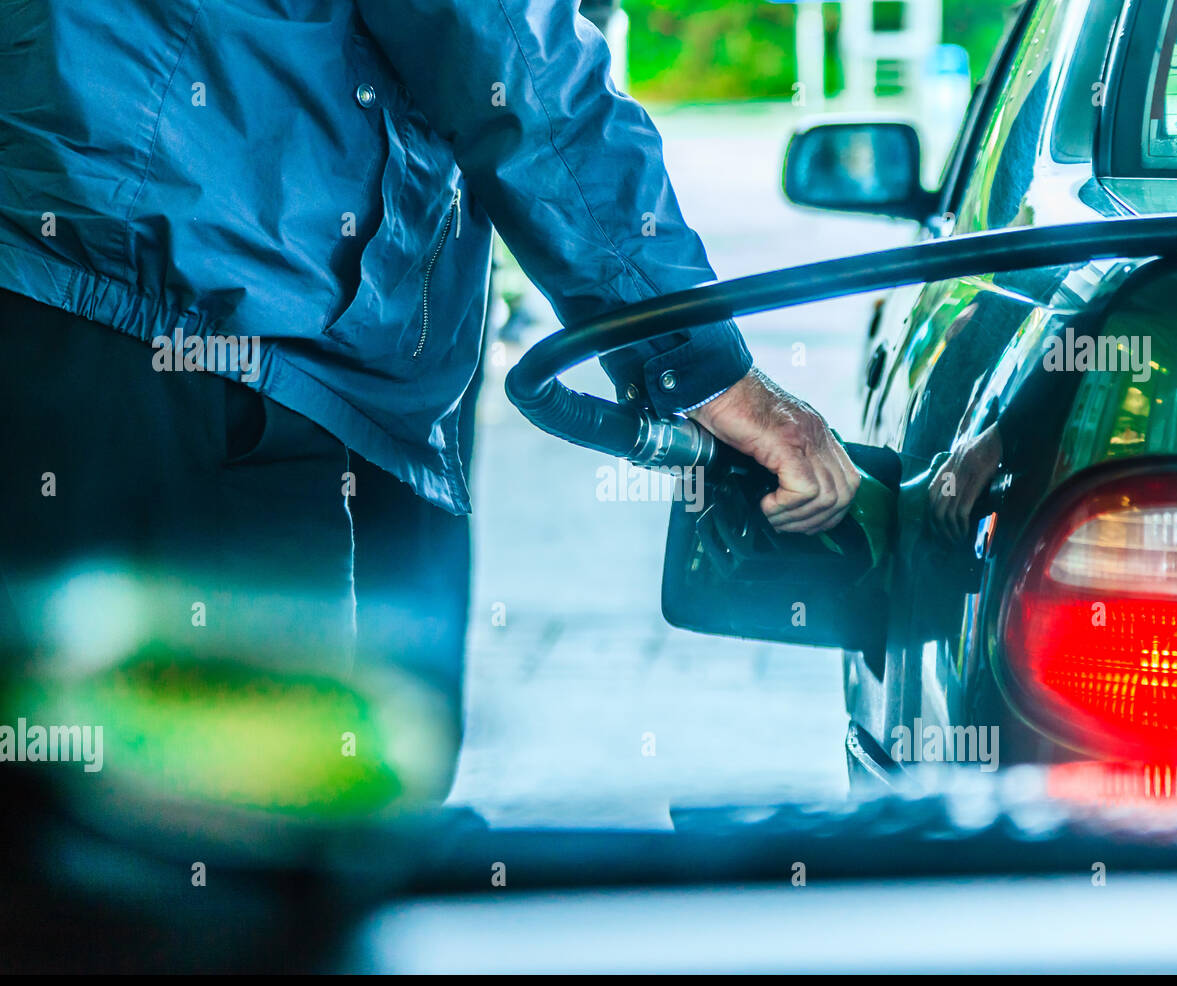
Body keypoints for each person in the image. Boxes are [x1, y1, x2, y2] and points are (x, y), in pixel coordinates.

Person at [0, 1, 858, 672]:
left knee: (77, 820)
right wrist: (704, 366)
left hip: (70, 281)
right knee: (224, 827)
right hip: (211, 316)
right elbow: (507, 49)